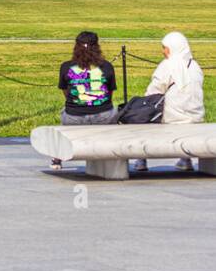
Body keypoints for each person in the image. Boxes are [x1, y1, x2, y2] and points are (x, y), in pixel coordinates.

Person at [131, 32, 205, 173]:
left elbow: (153, 92)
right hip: (195, 116)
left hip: (172, 117)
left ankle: (140, 159)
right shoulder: (195, 66)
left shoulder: (168, 65)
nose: (163, 51)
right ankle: (185, 159)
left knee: (141, 114)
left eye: (165, 48)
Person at [54, 31, 118, 168]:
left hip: (74, 117)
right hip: (103, 116)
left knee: (64, 109)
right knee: (114, 109)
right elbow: (109, 93)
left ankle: (58, 156)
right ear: (97, 47)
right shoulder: (107, 66)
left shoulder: (66, 67)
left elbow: (66, 92)